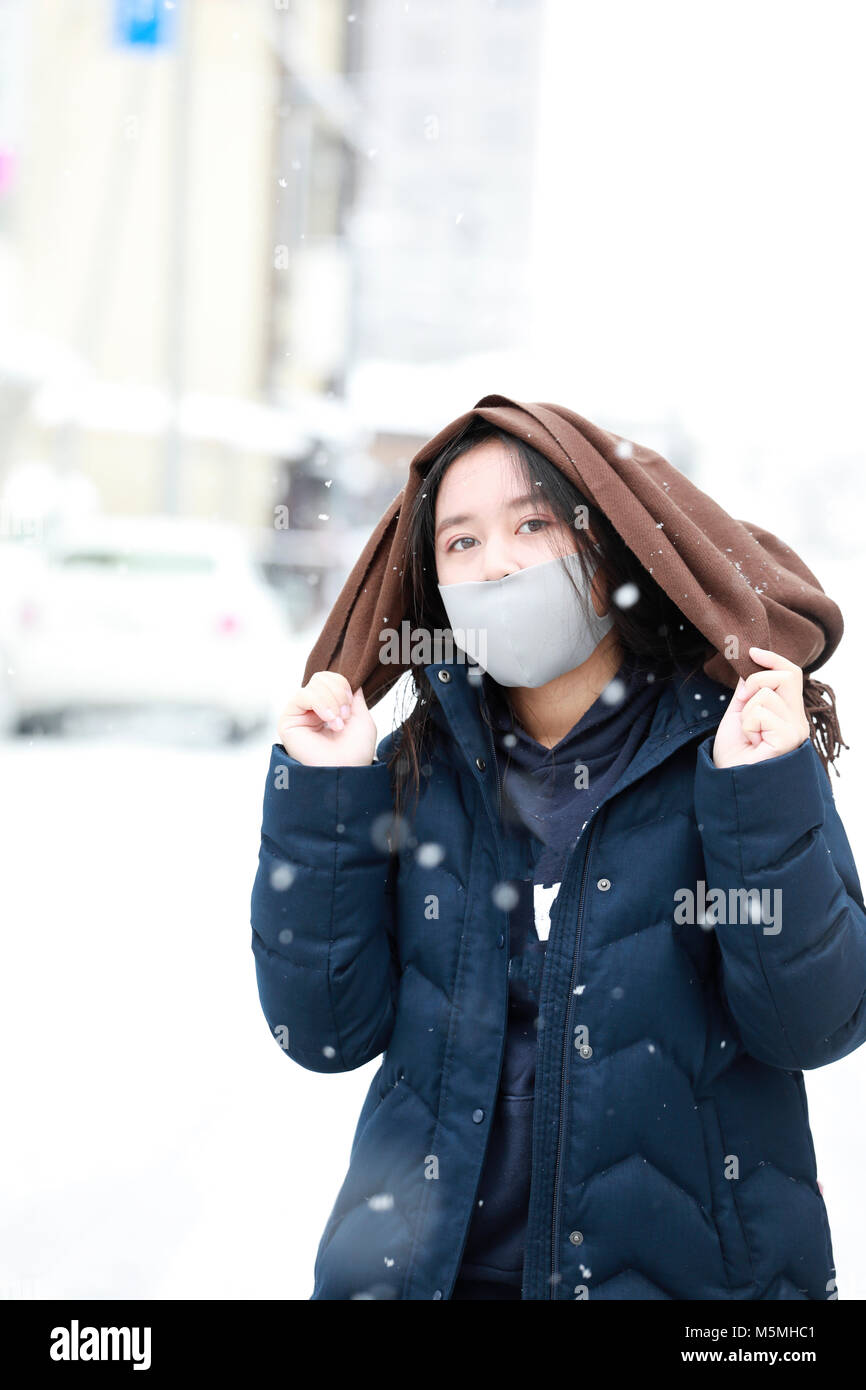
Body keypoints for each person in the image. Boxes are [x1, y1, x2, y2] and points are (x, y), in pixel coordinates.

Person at [250, 397, 862, 1301]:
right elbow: (326, 1033)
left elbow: (815, 1021)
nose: (495, 564)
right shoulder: (418, 766)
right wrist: (327, 795)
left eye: (533, 523)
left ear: (611, 544)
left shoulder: (732, 748)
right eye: (460, 542)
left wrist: (759, 794)